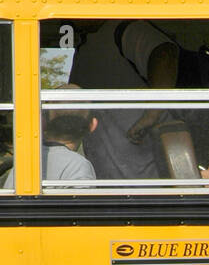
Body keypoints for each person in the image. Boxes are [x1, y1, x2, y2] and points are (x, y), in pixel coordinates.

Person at [69, 20, 178, 179]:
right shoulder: (86, 45)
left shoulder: (122, 30)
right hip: (111, 183)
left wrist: (153, 113)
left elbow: (164, 53)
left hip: (145, 185)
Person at [3, 107, 98, 188]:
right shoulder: (78, 165)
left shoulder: (25, 163)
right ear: (92, 125)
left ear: (43, 122)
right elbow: (82, 209)